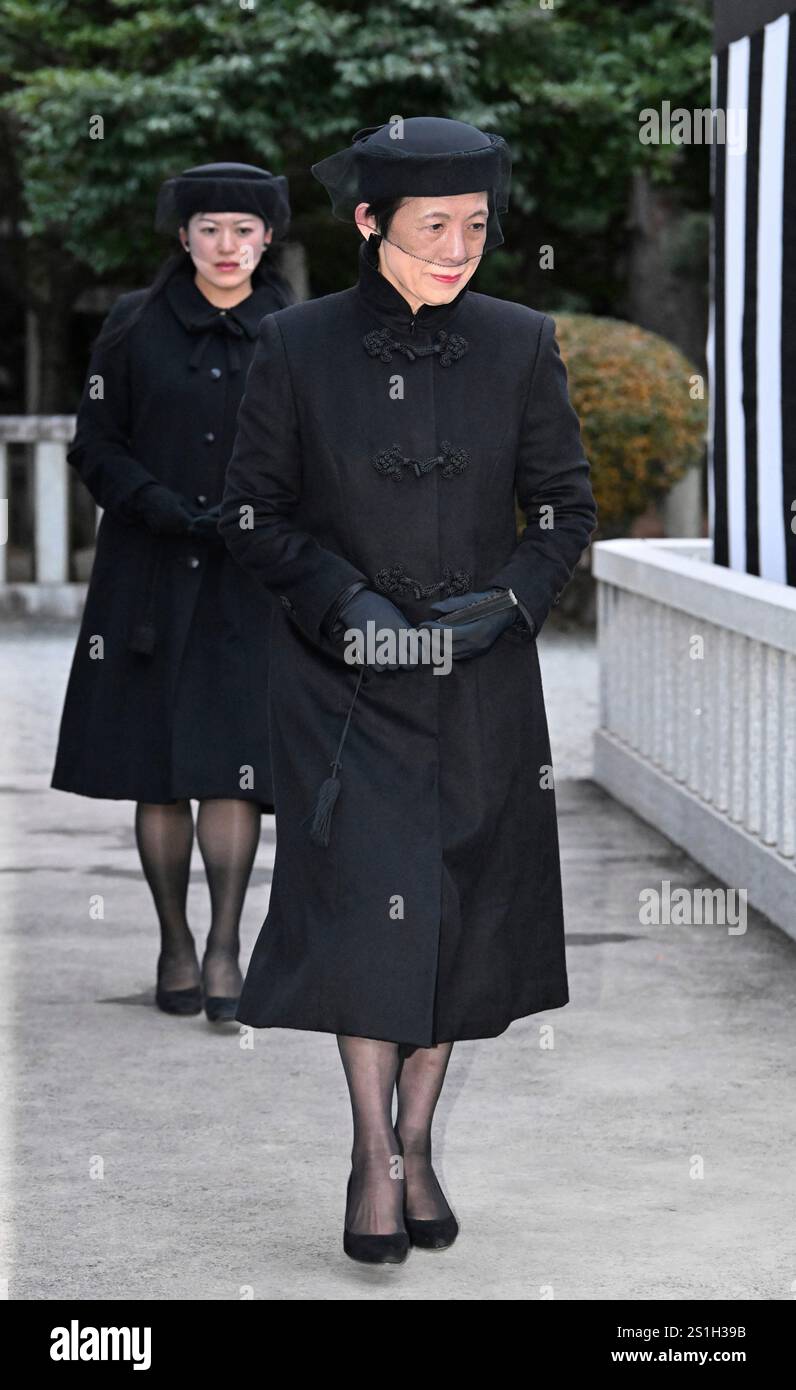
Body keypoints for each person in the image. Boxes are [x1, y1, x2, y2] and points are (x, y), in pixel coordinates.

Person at [219, 118, 598, 1262]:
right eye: (435, 226)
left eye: (477, 227)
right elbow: (254, 514)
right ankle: (370, 1154)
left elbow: (566, 510)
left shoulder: (522, 341)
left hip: (480, 689)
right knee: (369, 921)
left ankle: (419, 1140)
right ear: (370, 222)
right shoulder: (294, 346)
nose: (459, 247)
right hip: (343, 691)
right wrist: (347, 603)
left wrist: (506, 602)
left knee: (462, 921)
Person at [51, 162, 294, 1023]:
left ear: (268, 240)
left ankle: (226, 947)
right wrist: (154, 502)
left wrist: (259, 518)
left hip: (249, 578)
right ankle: (173, 941)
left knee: (234, 766)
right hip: (146, 575)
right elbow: (94, 442)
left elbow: (319, 449)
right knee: (160, 771)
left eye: (243, 230)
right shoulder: (131, 326)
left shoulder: (294, 330)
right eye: (209, 230)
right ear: (183, 236)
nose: (226, 247)